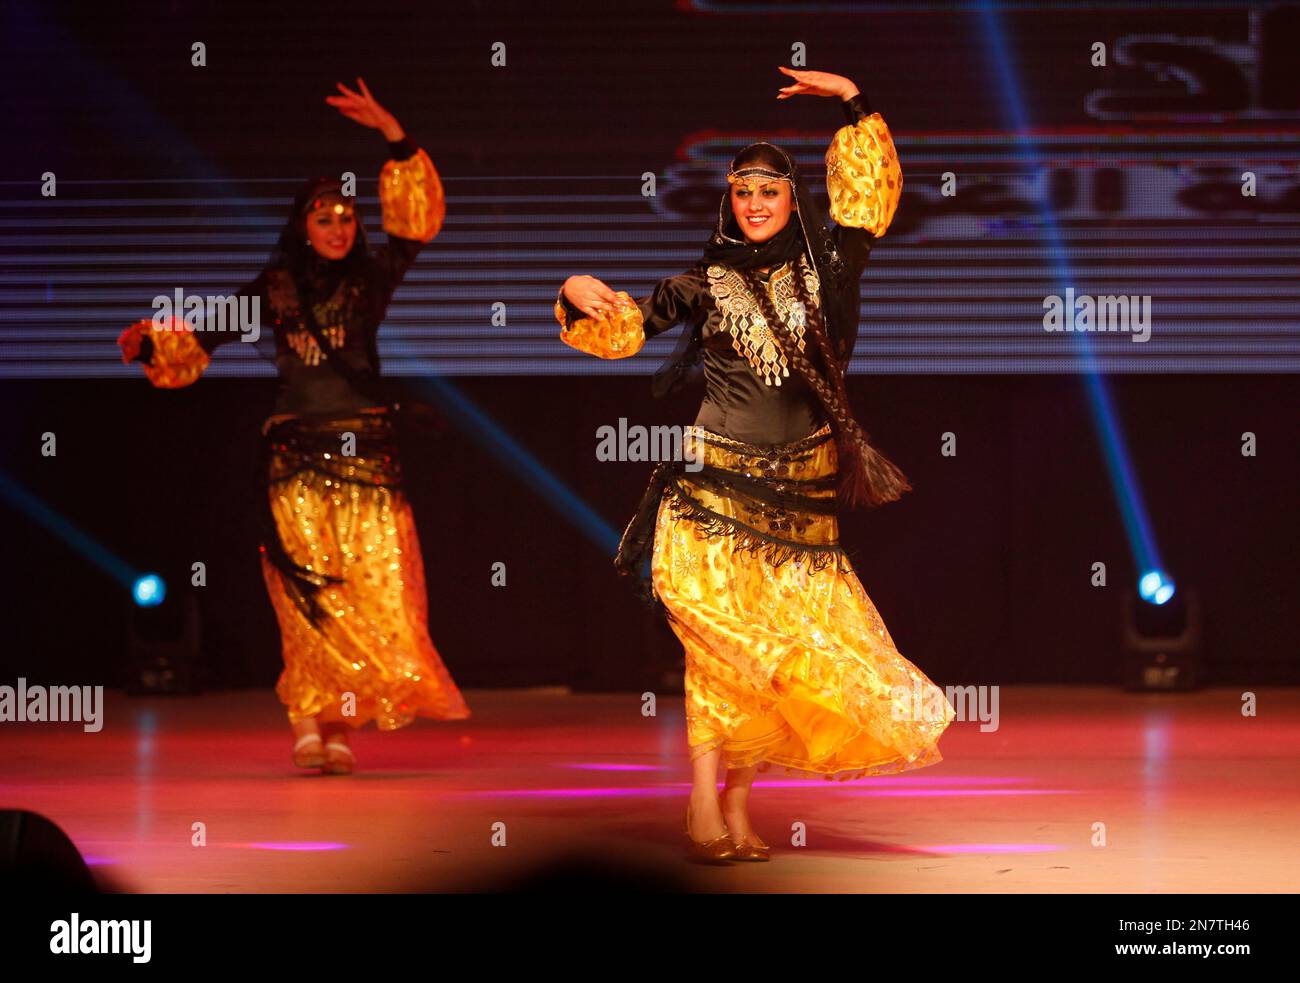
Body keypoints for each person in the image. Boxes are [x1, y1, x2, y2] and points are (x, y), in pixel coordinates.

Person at [556, 68, 954, 861]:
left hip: (800, 504)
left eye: (770, 191)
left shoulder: (834, 269)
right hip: (713, 494)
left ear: (792, 197)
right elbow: (624, 324)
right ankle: (704, 800)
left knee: (774, 665)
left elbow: (871, 197)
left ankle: (737, 809)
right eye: (743, 192)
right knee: (721, 651)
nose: (756, 203)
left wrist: (854, 98)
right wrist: (577, 286)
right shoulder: (703, 283)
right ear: (730, 201)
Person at [118, 79, 469, 775]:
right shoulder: (273, 289)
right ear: (302, 226)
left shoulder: (372, 277)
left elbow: (416, 223)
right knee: (309, 595)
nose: (339, 227)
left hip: (369, 454)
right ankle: (310, 722)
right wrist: (152, 343)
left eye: (346, 216)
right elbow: (205, 337)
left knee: (375, 595)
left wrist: (394, 131)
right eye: (324, 217)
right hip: (296, 459)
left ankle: (341, 728)